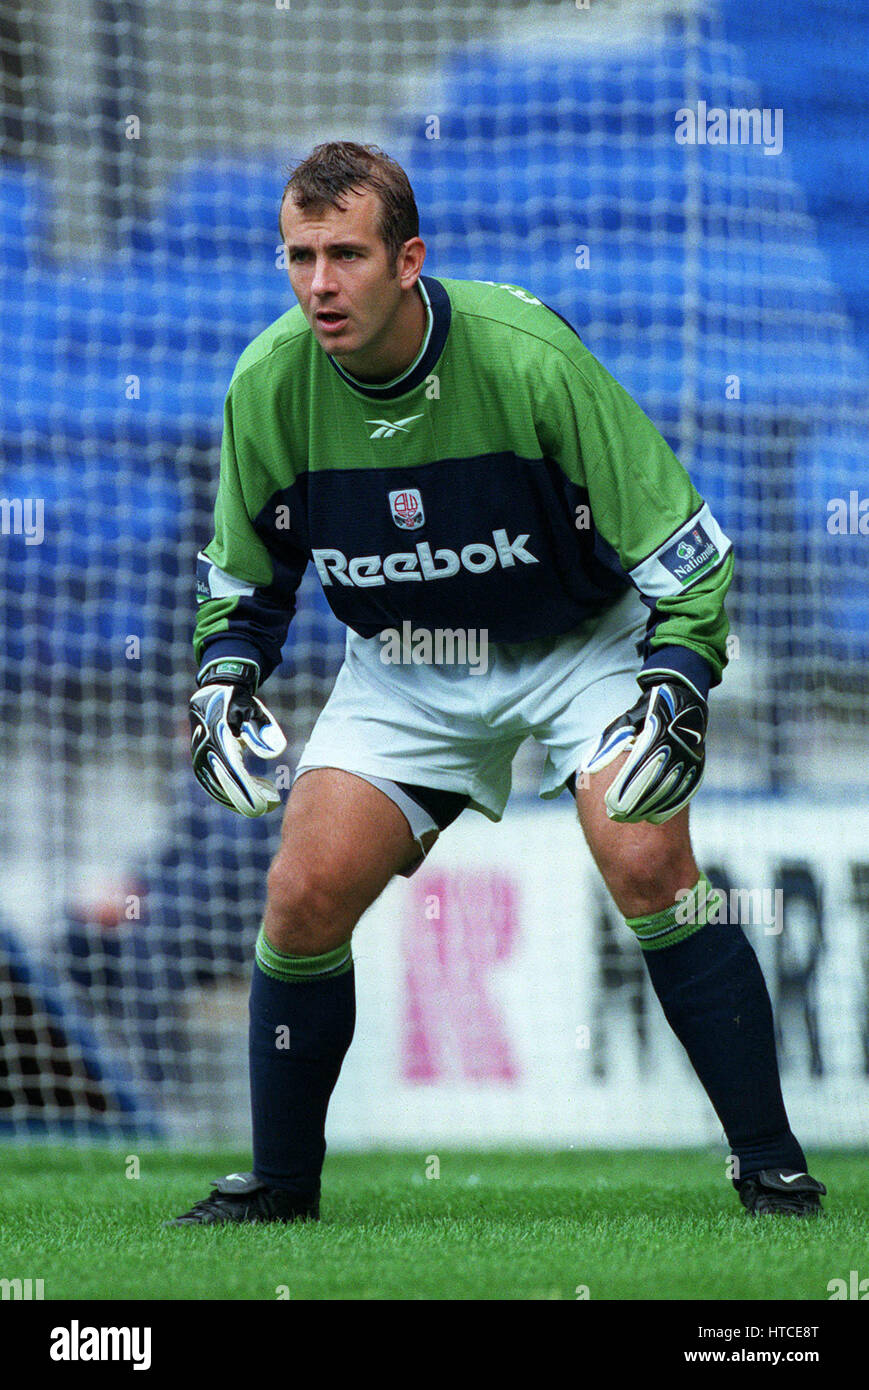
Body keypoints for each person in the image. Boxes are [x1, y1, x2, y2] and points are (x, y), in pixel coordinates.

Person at [172, 141, 824, 1224]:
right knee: (300, 892)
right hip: (407, 668)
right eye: (298, 256)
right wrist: (222, 681)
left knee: (649, 858)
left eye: (344, 254)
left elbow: (689, 556)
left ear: (409, 258)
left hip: (579, 644)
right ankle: (280, 1190)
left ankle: (770, 1165)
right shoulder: (267, 383)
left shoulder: (529, 358)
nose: (319, 284)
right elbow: (244, 582)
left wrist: (677, 678)